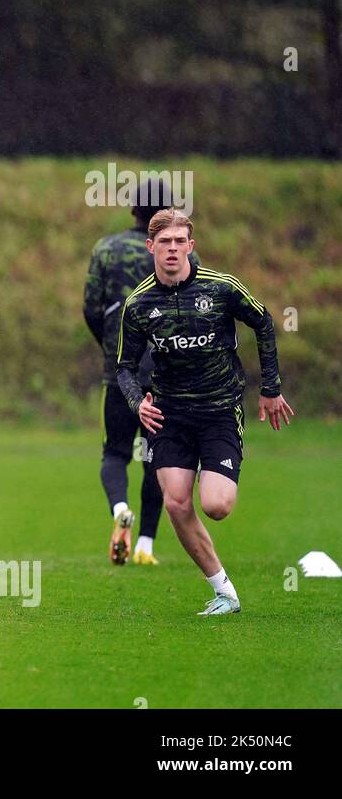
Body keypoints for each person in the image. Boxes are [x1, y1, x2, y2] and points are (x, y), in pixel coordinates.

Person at [116, 209, 292, 615]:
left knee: (216, 506)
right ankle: (224, 592)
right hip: (169, 414)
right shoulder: (139, 304)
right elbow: (124, 367)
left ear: (191, 246)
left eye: (180, 242)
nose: (173, 249)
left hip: (219, 410)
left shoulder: (222, 288)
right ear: (151, 247)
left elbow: (263, 322)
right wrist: (136, 401)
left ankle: (211, 471)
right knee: (176, 502)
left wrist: (271, 389)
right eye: (165, 243)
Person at [83, 179, 180, 565]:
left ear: (132, 210)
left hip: (119, 373)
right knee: (155, 457)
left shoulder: (106, 249)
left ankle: (120, 507)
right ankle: (145, 546)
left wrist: (112, 347)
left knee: (115, 453)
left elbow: (91, 309)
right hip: (164, 377)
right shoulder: (180, 252)